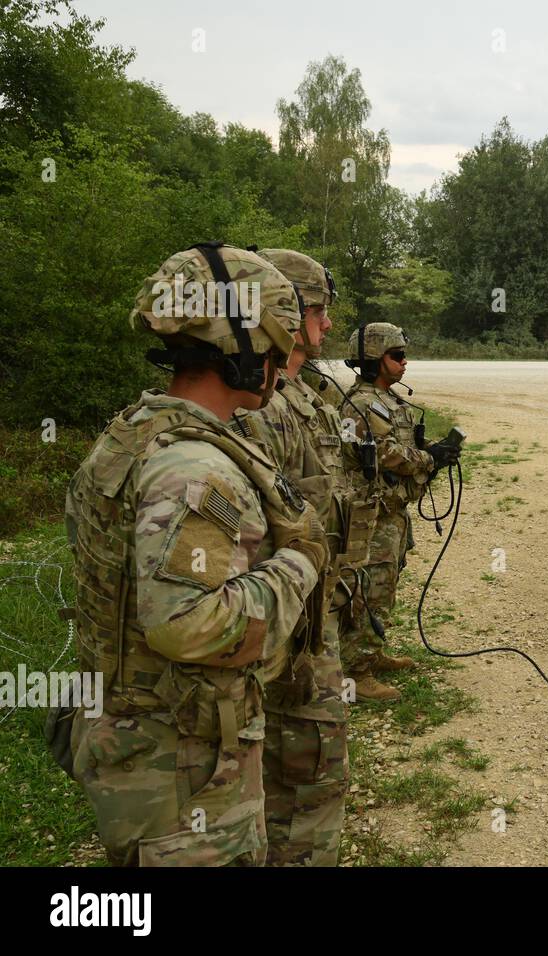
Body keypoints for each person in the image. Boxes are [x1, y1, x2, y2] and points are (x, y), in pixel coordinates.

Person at [65, 243, 327, 866]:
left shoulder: (135, 432)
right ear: (238, 347)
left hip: (143, 747)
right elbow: (189, 624)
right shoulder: (195, 468)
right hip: (182, 769)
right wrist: (299, 565)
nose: (276, 363)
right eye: (271, 345)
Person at [231, 248, 364, 866]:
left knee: (306, 770)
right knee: (307, 771)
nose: (327, 325)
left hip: (310, 618)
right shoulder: (257, 408)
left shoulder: (300, 397)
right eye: (317, 311)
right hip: (283, 631)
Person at [338, 323, 458, 701]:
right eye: (397, 355)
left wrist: (431, 454)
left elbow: (398, 451)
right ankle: (355, 672)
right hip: (369, 515)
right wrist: (428, 458)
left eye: (404, 354)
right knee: (370, 587)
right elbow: (384, 452)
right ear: (374, 359)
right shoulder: (360, 404)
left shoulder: (386, 401)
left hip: (390, 511)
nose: (405, 362)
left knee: (385, 585)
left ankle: (372, 654)